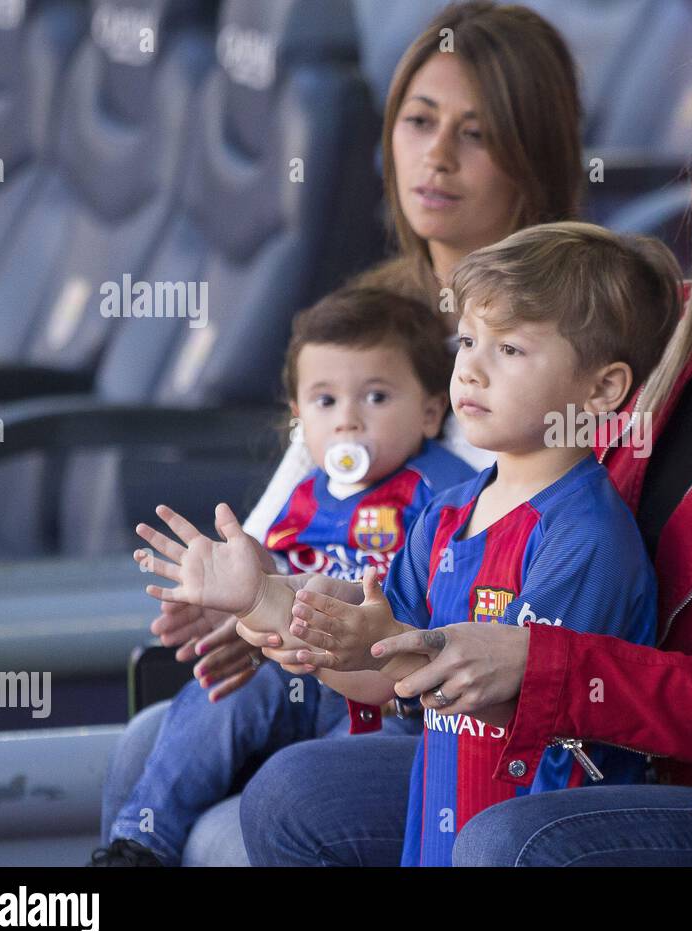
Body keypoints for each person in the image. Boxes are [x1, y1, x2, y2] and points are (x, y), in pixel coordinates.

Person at [241, 25, 692, 867]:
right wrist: (347, 619)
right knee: (293, 797)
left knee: (510, 844)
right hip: (612, 752)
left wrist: (540, 664)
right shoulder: (663, 332)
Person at [97, 0, 584, 864]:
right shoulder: (370, 326)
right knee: (145, 741)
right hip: (311, 669)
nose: (436, 156)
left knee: (220, 828)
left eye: (476, 134)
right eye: (420, 122)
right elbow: (280, 531)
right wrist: (228, 611)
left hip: (429, 693)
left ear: (534, 161)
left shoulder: (563, 340)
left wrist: (288, 622)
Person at [255, 222, 681, 865]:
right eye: (469, 341)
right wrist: (266, 607)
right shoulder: (444, 514)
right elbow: (380, 677)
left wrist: (363, 646)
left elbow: (518, 699)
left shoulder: (586, 537)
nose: (472, 371)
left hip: (535, 844)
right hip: (441, 836)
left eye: (509, 350)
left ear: (601, 390)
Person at [90, 283, 475, 866]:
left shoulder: (443, 493)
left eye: (375, 397)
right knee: (215, 700)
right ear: (299, 418)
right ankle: (139, 843)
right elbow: (269, 580)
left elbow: (442, 601)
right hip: (290, 680)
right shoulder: (302, 497)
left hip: (389, 701)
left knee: (321, 765)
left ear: (429, 410)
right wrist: (237, 601)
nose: (347, 420)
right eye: (325, 402)